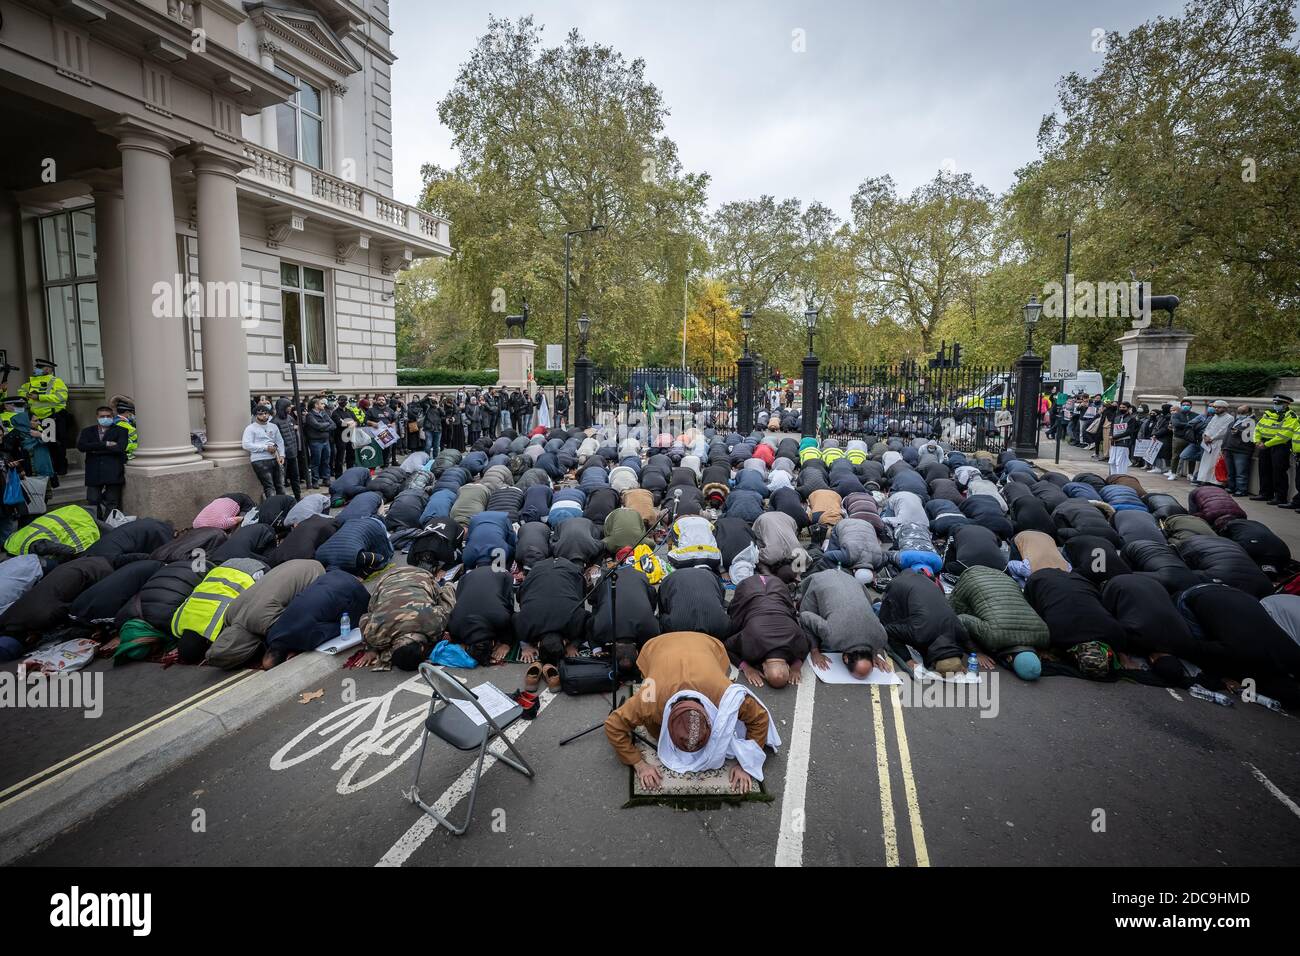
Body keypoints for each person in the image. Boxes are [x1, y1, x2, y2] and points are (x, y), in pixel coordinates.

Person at [604, 630, 775, 794]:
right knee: (652, 729)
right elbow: (613, 725)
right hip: (656, 646)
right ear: (665, 719)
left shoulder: (722, 694)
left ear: (711, 717)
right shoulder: (649, 701)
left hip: (708, 644)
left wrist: (745, 764)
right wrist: (639, 764)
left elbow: (760, 717)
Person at [726, 571, 810, 688]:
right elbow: (727, 646)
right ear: (787, 665)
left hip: (775, 585)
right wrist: (747, 668)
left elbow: (806, 646)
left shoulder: (794, 635)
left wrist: (796, 667)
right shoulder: (751, 641)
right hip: (751, 589)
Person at [799, 568, 888, 678]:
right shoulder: (832, 636)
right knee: (824, 644)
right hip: (821, 582)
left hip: (851, 580)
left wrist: (874, 654)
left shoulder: (881, 638)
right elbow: (805, 615)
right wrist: (814, 651)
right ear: (846, 658)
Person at [18, 358, 69, 482]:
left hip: (52, 416)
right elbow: (21, 392)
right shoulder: (31, 382)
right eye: (37, 367)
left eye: (40, 367)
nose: (37, 369)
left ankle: (60, 467)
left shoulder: (56, 381)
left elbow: (62, 397)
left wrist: (39, 397)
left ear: (48, 369)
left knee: (55, 443)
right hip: (36, 418)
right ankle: (49, 467)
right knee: (42, 443)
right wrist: (26, 395)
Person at [76, 405, 129, 519]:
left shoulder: (122, 431)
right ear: (97, 417)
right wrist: (106, 444)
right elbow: (81, 447)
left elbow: (120, 448)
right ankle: (97, 524)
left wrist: (94, 449)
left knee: (112, 502)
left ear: (112, 416)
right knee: (93, 500)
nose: (105, 418)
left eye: (108, 416)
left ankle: (110, 525)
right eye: (102, 416)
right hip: (94, 471)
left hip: (113, 471)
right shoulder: (87, 431)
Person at [1253, 394, 1297, 507]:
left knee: (1279, 472)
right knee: (1264, 470)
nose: (1276, 405)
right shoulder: (1268, 414)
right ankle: (1265, 493)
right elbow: (1258, 428)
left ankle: (1280, 497)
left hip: (1280, 446)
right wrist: (1257, 441)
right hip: (1264, 445)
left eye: (1279, 403)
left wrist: (1266, 444)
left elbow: (1285, 434)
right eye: (1275, 403)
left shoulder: (1290, 416)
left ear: (1287, 404)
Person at [242, 405, 285, 499]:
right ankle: (272, 510)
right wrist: (265, 448)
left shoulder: (273, 426)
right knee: (270, 487)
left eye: (266, 413)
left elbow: (279, 441)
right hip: (259, 460)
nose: (264, 416)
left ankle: (284, 507)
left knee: (280, 485)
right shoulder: (250, 428)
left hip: (274, 458)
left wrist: (282, 455)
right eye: (261, 414)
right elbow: (246, 445)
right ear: (255, 415)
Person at [270, 399, 303, 499]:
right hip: (282, 456)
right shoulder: (274, 422)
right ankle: (282, 500)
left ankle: (298, 497)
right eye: (288, 406)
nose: (290, 408)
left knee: (295, 477)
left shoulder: (290, 418)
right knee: (281, 480)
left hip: (293, 453)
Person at [1221, 404, 1256, 497]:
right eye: (1239, 412)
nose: (1240, 414)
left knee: (1241, 472)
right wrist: (1223, 447)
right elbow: (1227, 434)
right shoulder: (1236, 421)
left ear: (1249, 412)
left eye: (1243, 412)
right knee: (1230, 471)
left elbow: (1251, 437)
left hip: (1241, 451)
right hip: (1228, 449)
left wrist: (1238, 432)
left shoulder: (1253, 422)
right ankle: (1231, 487)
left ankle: (1241, 490)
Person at [1195, 400, 1232, 485]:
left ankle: (1216, 482)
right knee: (1206, 463)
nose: (1216, 409)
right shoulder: (1215, 416)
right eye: (1215, 407)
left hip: (1218, 443)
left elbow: (1223, 430)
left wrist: (1212, 438)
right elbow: (1208, 427)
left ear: (1225, 408)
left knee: (1215, 463)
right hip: (1208, 443)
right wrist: (1205, 436)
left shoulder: (1229, 418)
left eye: (1218, 407)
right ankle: (1204, 479)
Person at [303, 397, 336, 488]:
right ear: (316, 405)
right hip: (315, 442)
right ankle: (315, 481)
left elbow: (333, 425)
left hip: (326, 441)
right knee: (316, 462)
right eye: (321, 404)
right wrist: (326, 425)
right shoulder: (310, 415)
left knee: (326, 461)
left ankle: (326, 479)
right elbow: (317, 426)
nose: (324, 405)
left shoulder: (324, 413)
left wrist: (323, 427)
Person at [1108, 401, 1137, 474]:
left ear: (1128, 408)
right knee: (1112, 461)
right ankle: (1113, 476)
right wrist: (1111, 435)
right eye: (1120, 407)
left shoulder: (1131, 419)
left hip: (1123, 443)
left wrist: (1116, 437)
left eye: (1124, 407)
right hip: (1114, 443)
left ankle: (1121, 477)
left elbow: (1129, 431)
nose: (1121, 409)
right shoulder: (1117, 417)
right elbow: (1112, 427)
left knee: (1120, 462)